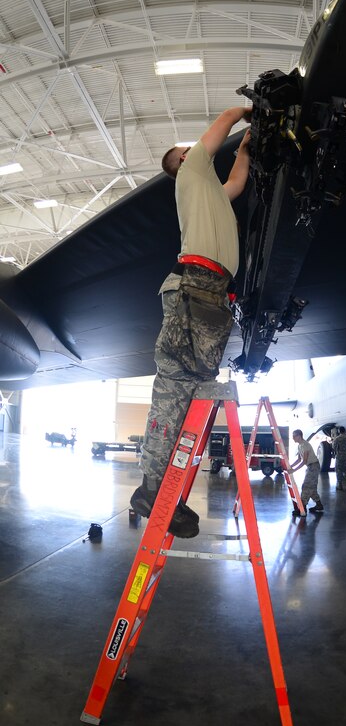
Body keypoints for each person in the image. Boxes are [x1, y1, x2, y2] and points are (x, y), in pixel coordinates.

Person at [130, 106, 252, 538]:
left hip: (210, 292)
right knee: (175, 388)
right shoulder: (189, 173)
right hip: (195, 287)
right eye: (190, 149)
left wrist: (250, 143)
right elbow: (217, 134)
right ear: (183, 160)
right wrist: (243, 111)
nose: (196, 149)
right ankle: (151, 490)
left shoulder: (212, 192)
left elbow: (236, 181)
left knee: (189, 390)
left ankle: (169, 495)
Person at [287, 429, 324, 516]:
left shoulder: (305, 445)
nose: (293, 438)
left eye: (294, 436)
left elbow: (304, 461)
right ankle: (319, 505)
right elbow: (299, 459)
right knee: (312, 488)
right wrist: (290, 466)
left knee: (306, 486)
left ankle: (302, 508)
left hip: (313, 466)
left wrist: (293, 470)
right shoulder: (300, 445)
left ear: (299, 436)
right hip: (310, 466)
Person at [332, 426, 346, 491]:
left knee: (338, 469)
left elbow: (334, 447)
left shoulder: (337, 439)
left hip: (340, 456)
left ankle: (339, 484)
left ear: (339, 431)